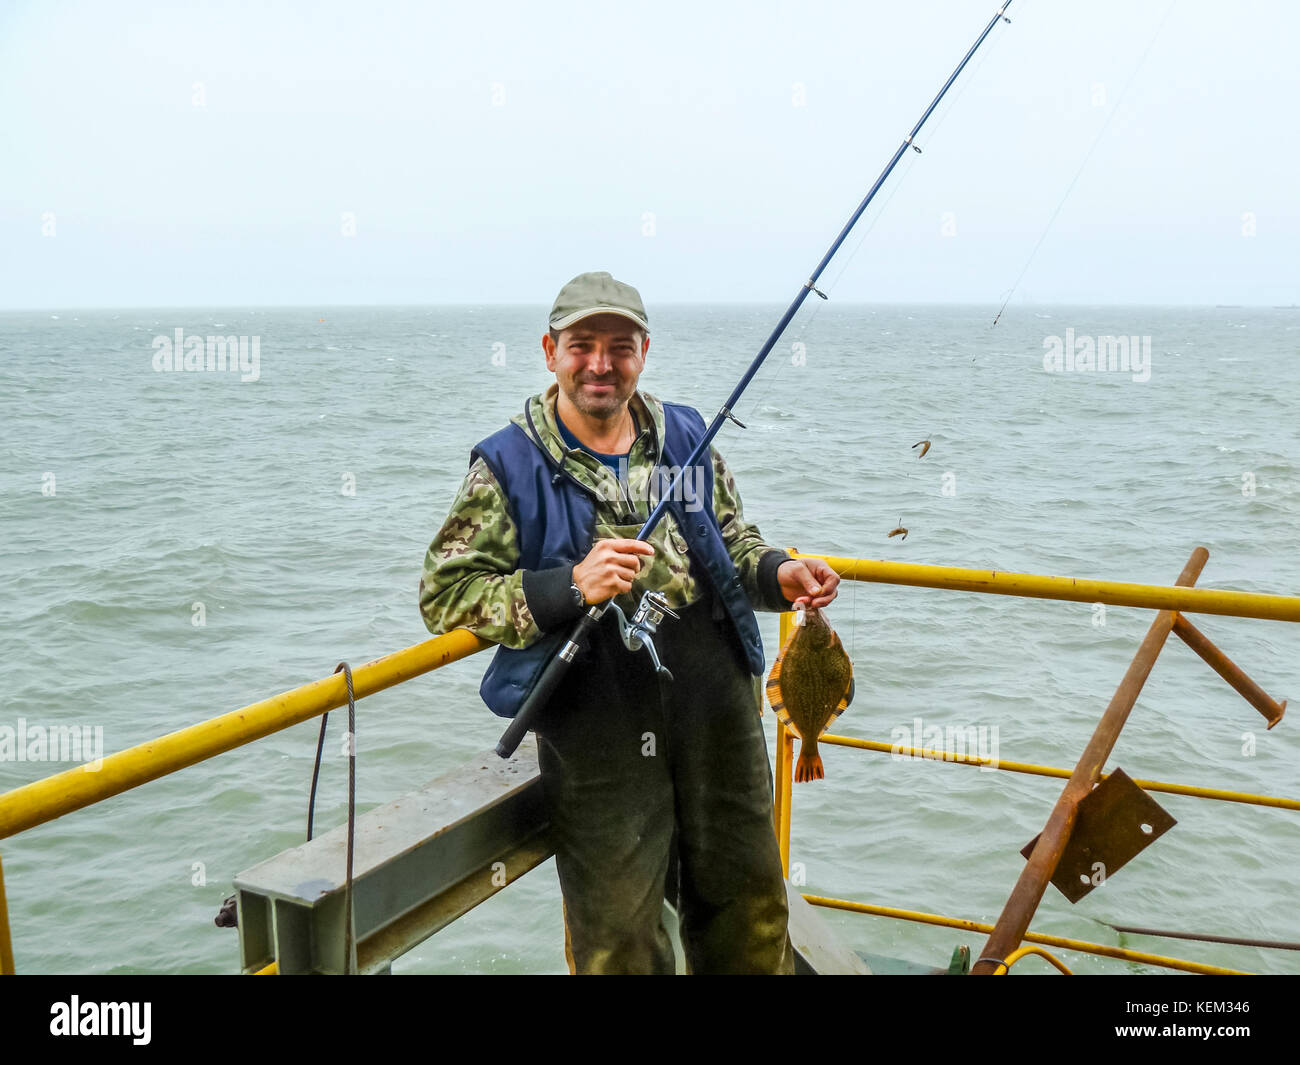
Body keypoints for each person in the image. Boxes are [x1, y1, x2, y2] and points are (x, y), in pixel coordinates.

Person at [419, 271, 839, 974]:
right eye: (582, 345)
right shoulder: (508, 463)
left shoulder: (685, 433)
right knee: (620, 937)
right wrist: (567, 586)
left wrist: (778, 571)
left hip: (716, 705)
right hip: (599, 724)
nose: (600, 364)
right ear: (549, 350)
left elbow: (733, 540)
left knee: (750, 905)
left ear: (644, 351)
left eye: (619, 346)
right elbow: (446, 595)